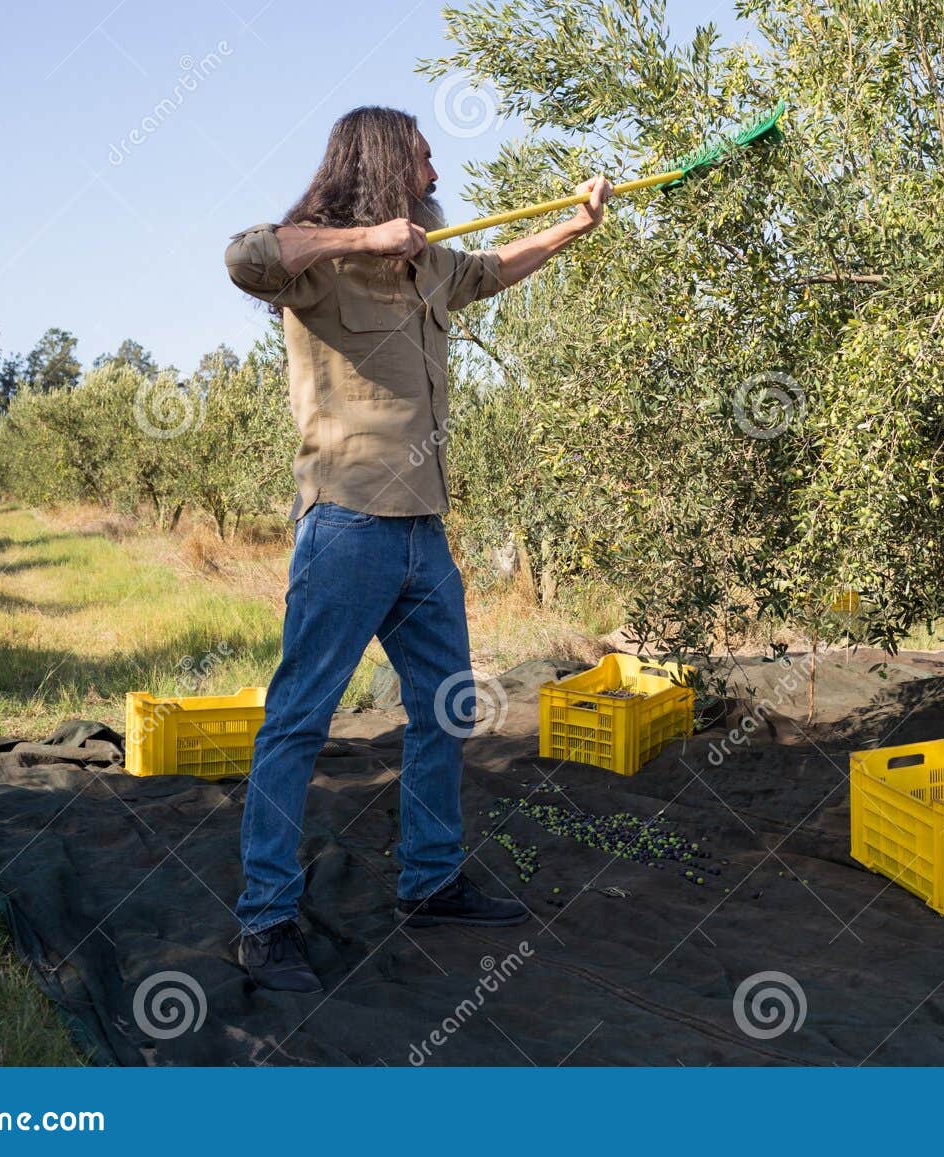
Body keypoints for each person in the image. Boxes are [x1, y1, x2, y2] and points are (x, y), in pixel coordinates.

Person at [223, 105, 612, 992]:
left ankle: (431, 879)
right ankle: (266, 919)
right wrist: (359, 234)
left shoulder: (434, 265)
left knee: (444, 707)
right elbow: (244, 254)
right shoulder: (321, 270)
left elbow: (499, 264)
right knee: (298, 720)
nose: (439, 179)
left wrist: (575, 224)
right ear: (387, 167)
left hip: (423, 538)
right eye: (426, 164)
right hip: (346, 529)